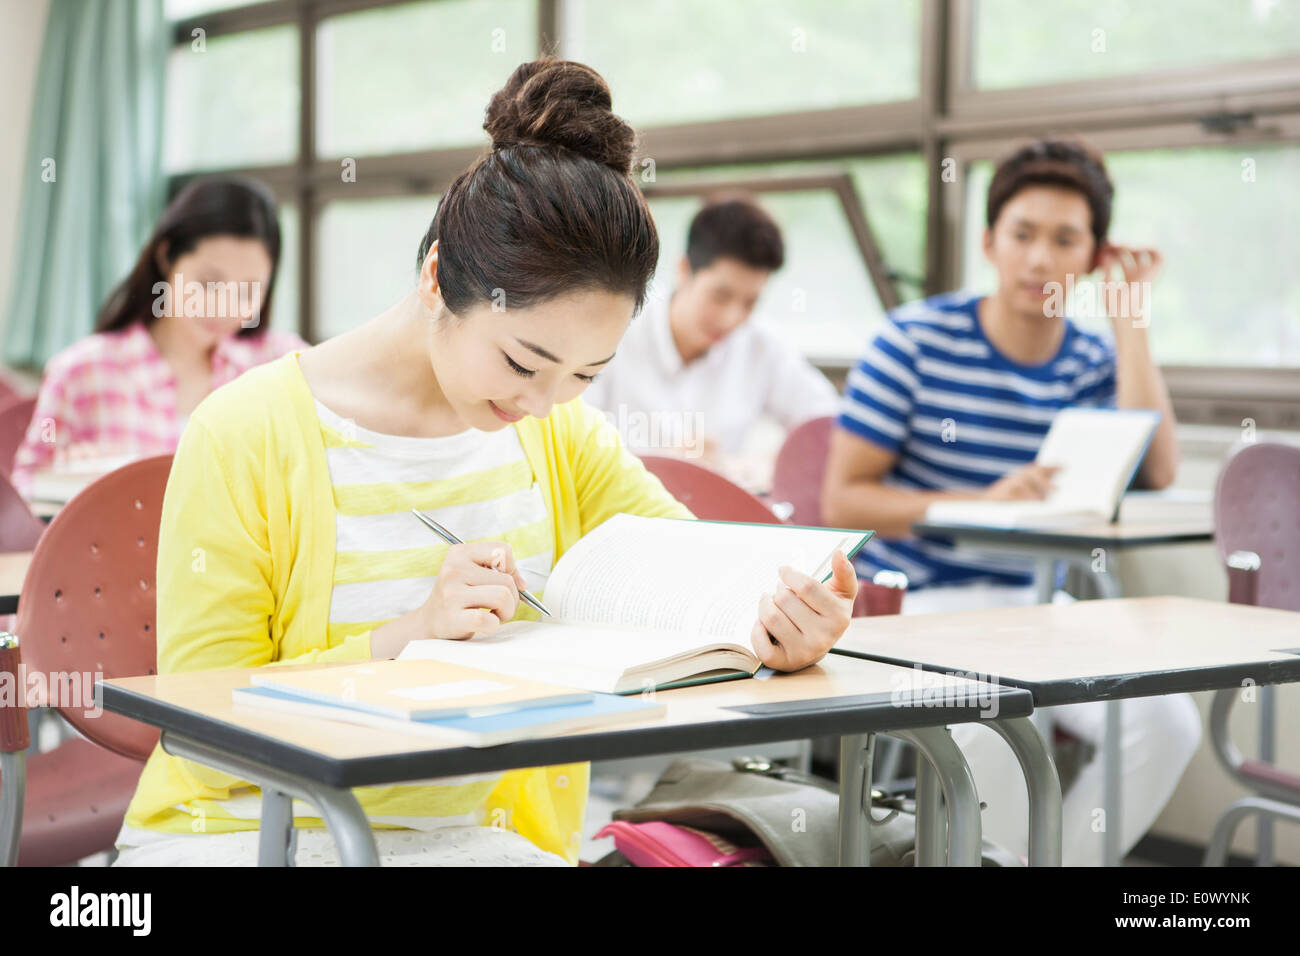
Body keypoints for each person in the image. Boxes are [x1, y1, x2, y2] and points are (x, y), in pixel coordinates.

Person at [113, 58, 858, 868]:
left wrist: (776, 624)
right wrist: (409, 637)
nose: (542, 402)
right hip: (252, 830)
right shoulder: (243, 432)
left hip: (475, 842)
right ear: (438, 280)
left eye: (584, 377)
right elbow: (200, 714)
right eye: (522, 362)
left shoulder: (556, 434)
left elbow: (689, 579)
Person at [822, 138, 1198, 865]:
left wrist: (1131, 326)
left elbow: (1156, 470)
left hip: (1038, 608)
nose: (1039, 259)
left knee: (1167, 725)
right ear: (990, 242)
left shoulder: (1091, 359)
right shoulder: (915, 339)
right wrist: (980, 499)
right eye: (1023, 235)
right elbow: (844, 497)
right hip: (922, 601)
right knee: (996, 719)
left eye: (1065, 240)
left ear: (1093, 259)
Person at [10, 177, 306, 497]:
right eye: (209, 284)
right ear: (167, 257)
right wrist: (65, 478)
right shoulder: (82, 370)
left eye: (248, 290)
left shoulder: (277, 363)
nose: (224, 308)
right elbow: (23, 491)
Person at [583, 195, 838, 468]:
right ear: (683, 270)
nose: (732, 319)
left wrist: (743, 466)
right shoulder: (616, 331)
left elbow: (830, 428)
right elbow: (573, 445)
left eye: (750, 302)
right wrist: (656, 467)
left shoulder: (761, 345)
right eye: (720, 296)